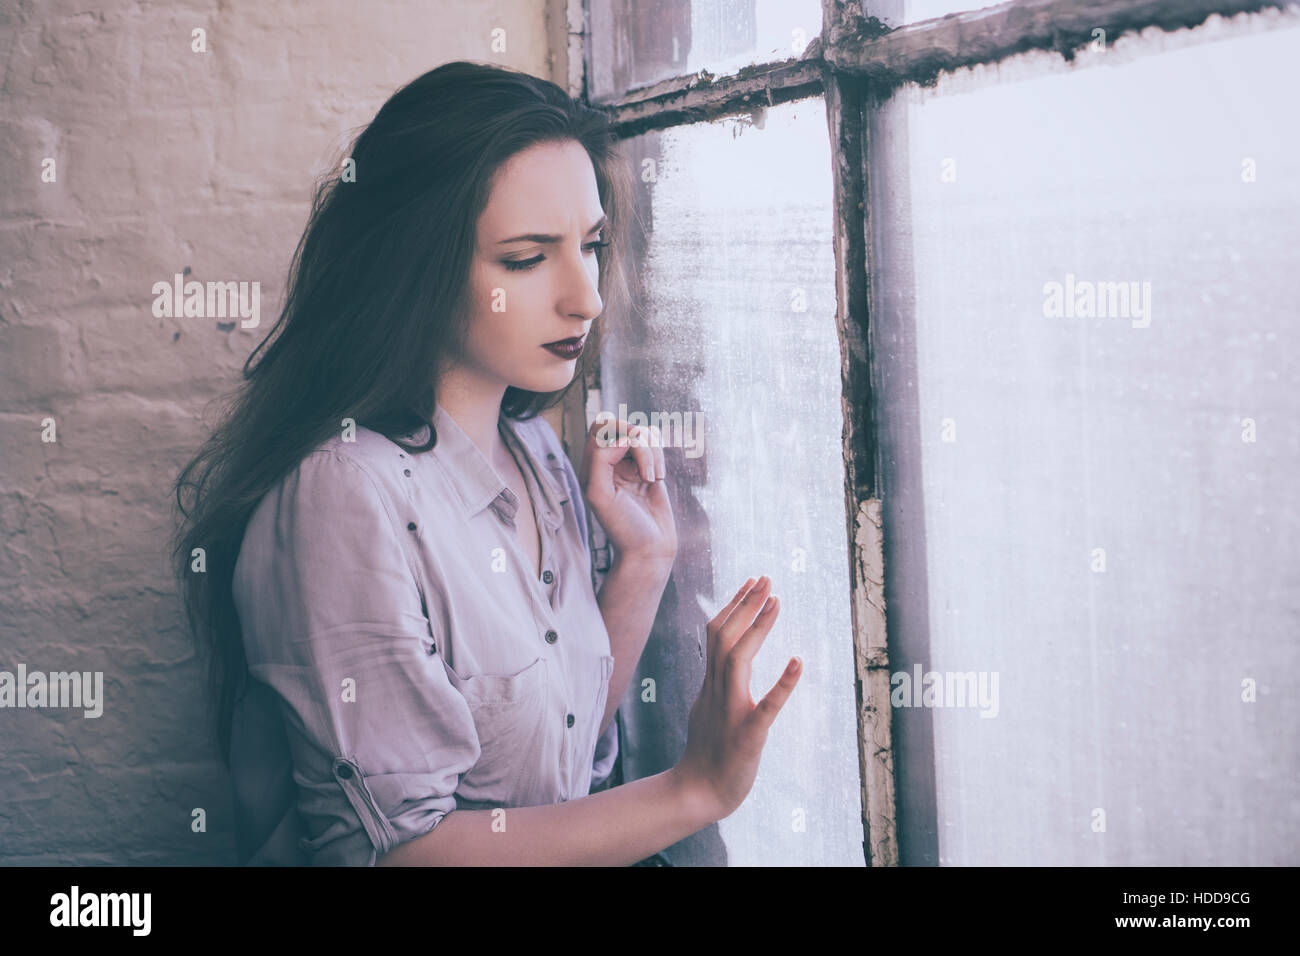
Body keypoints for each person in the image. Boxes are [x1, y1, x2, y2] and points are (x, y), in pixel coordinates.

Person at [171, 60, 801, 866]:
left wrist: (641, 565)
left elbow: (553, 774)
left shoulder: (534, 452)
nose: (588, 296)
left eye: (591, 245)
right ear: (417, 268)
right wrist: (695, 790)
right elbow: (405, 852)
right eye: (526, 259)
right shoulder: (343, 495)